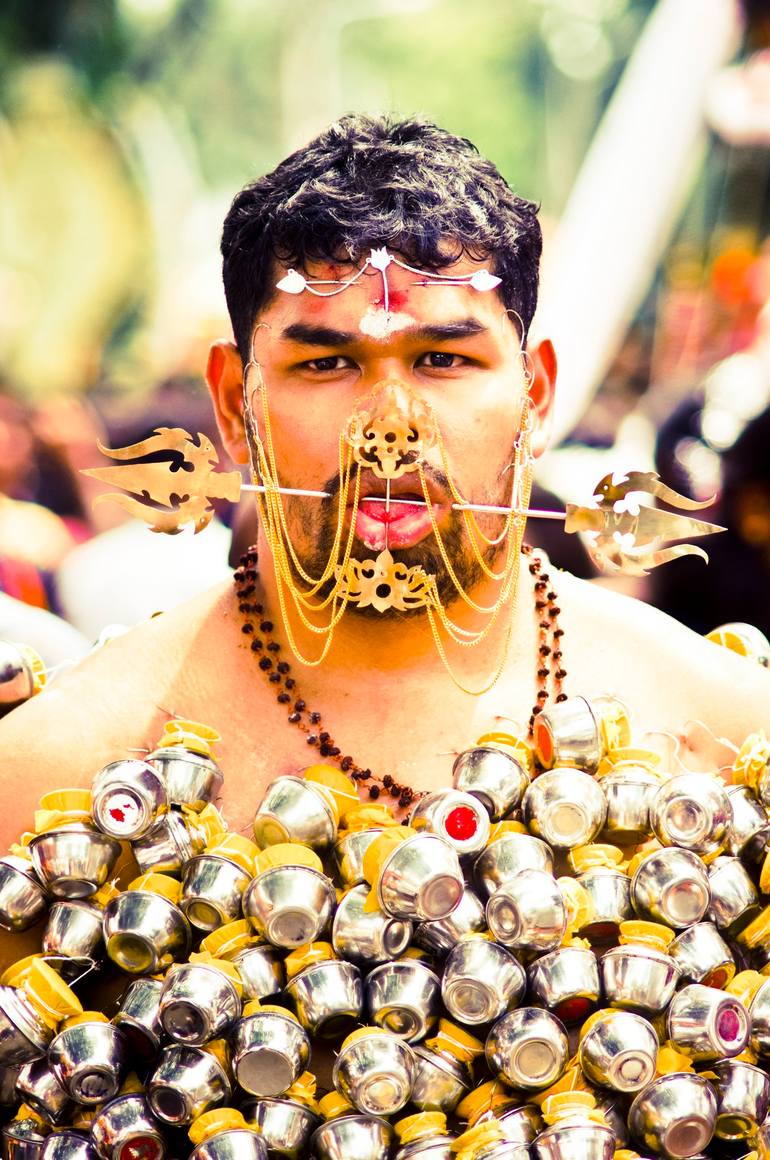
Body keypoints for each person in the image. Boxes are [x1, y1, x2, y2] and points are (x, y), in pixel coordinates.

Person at [0, 113, 768, 959]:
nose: (390, 427)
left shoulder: (726, 740)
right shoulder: (57, 780)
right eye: (327, 364)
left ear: (537, 397)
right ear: (232, 405)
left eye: (444, 360)